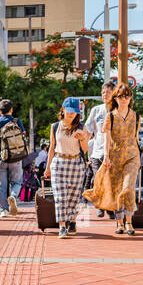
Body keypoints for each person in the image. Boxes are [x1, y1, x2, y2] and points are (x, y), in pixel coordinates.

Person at [100, 85, 142, 235]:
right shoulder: (110, 116)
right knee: (117, 190)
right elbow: (107, 139)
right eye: (120, 96)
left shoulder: (136, 116)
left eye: (126, 96)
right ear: (115, 98)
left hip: (132, 156)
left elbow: (136, 138)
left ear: (130, 98)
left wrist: (142, 155)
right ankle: (119, 223)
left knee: (128, 188)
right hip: (115, 156)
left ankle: (129, 222)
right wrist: (106, 156)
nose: (123, 99)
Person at [49, 98, 91, 239]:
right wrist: (48, 167)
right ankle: (62, 227)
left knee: (73, 198)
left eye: (75, 112)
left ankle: (72, 221)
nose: (72, 114)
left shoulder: (81, 127)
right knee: (61, 197)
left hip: (76, 164)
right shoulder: (55, 126)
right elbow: (51, 148)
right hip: (59, 163)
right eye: (69, 111)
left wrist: (82, 139)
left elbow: (84, 149)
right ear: (63, 109)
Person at [0, 98, 28, 217]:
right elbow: (23, 136)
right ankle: (14, 196)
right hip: (16, 156)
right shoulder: (17, 121)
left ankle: (3, 210)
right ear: (11, 109)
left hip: (1, 157)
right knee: (17, 182)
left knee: (1, 184)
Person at [84, 79, 118, 218]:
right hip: (97, 152)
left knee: (109, 180)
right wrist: (84, 151)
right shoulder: (96, 110)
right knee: (97, 179)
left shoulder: (117, 111)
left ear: (114, 94)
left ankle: (108, 208)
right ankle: (99, 205)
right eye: (103, 92)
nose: (105, 95)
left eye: (108, 92)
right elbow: (88, 130)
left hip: (113, 152)